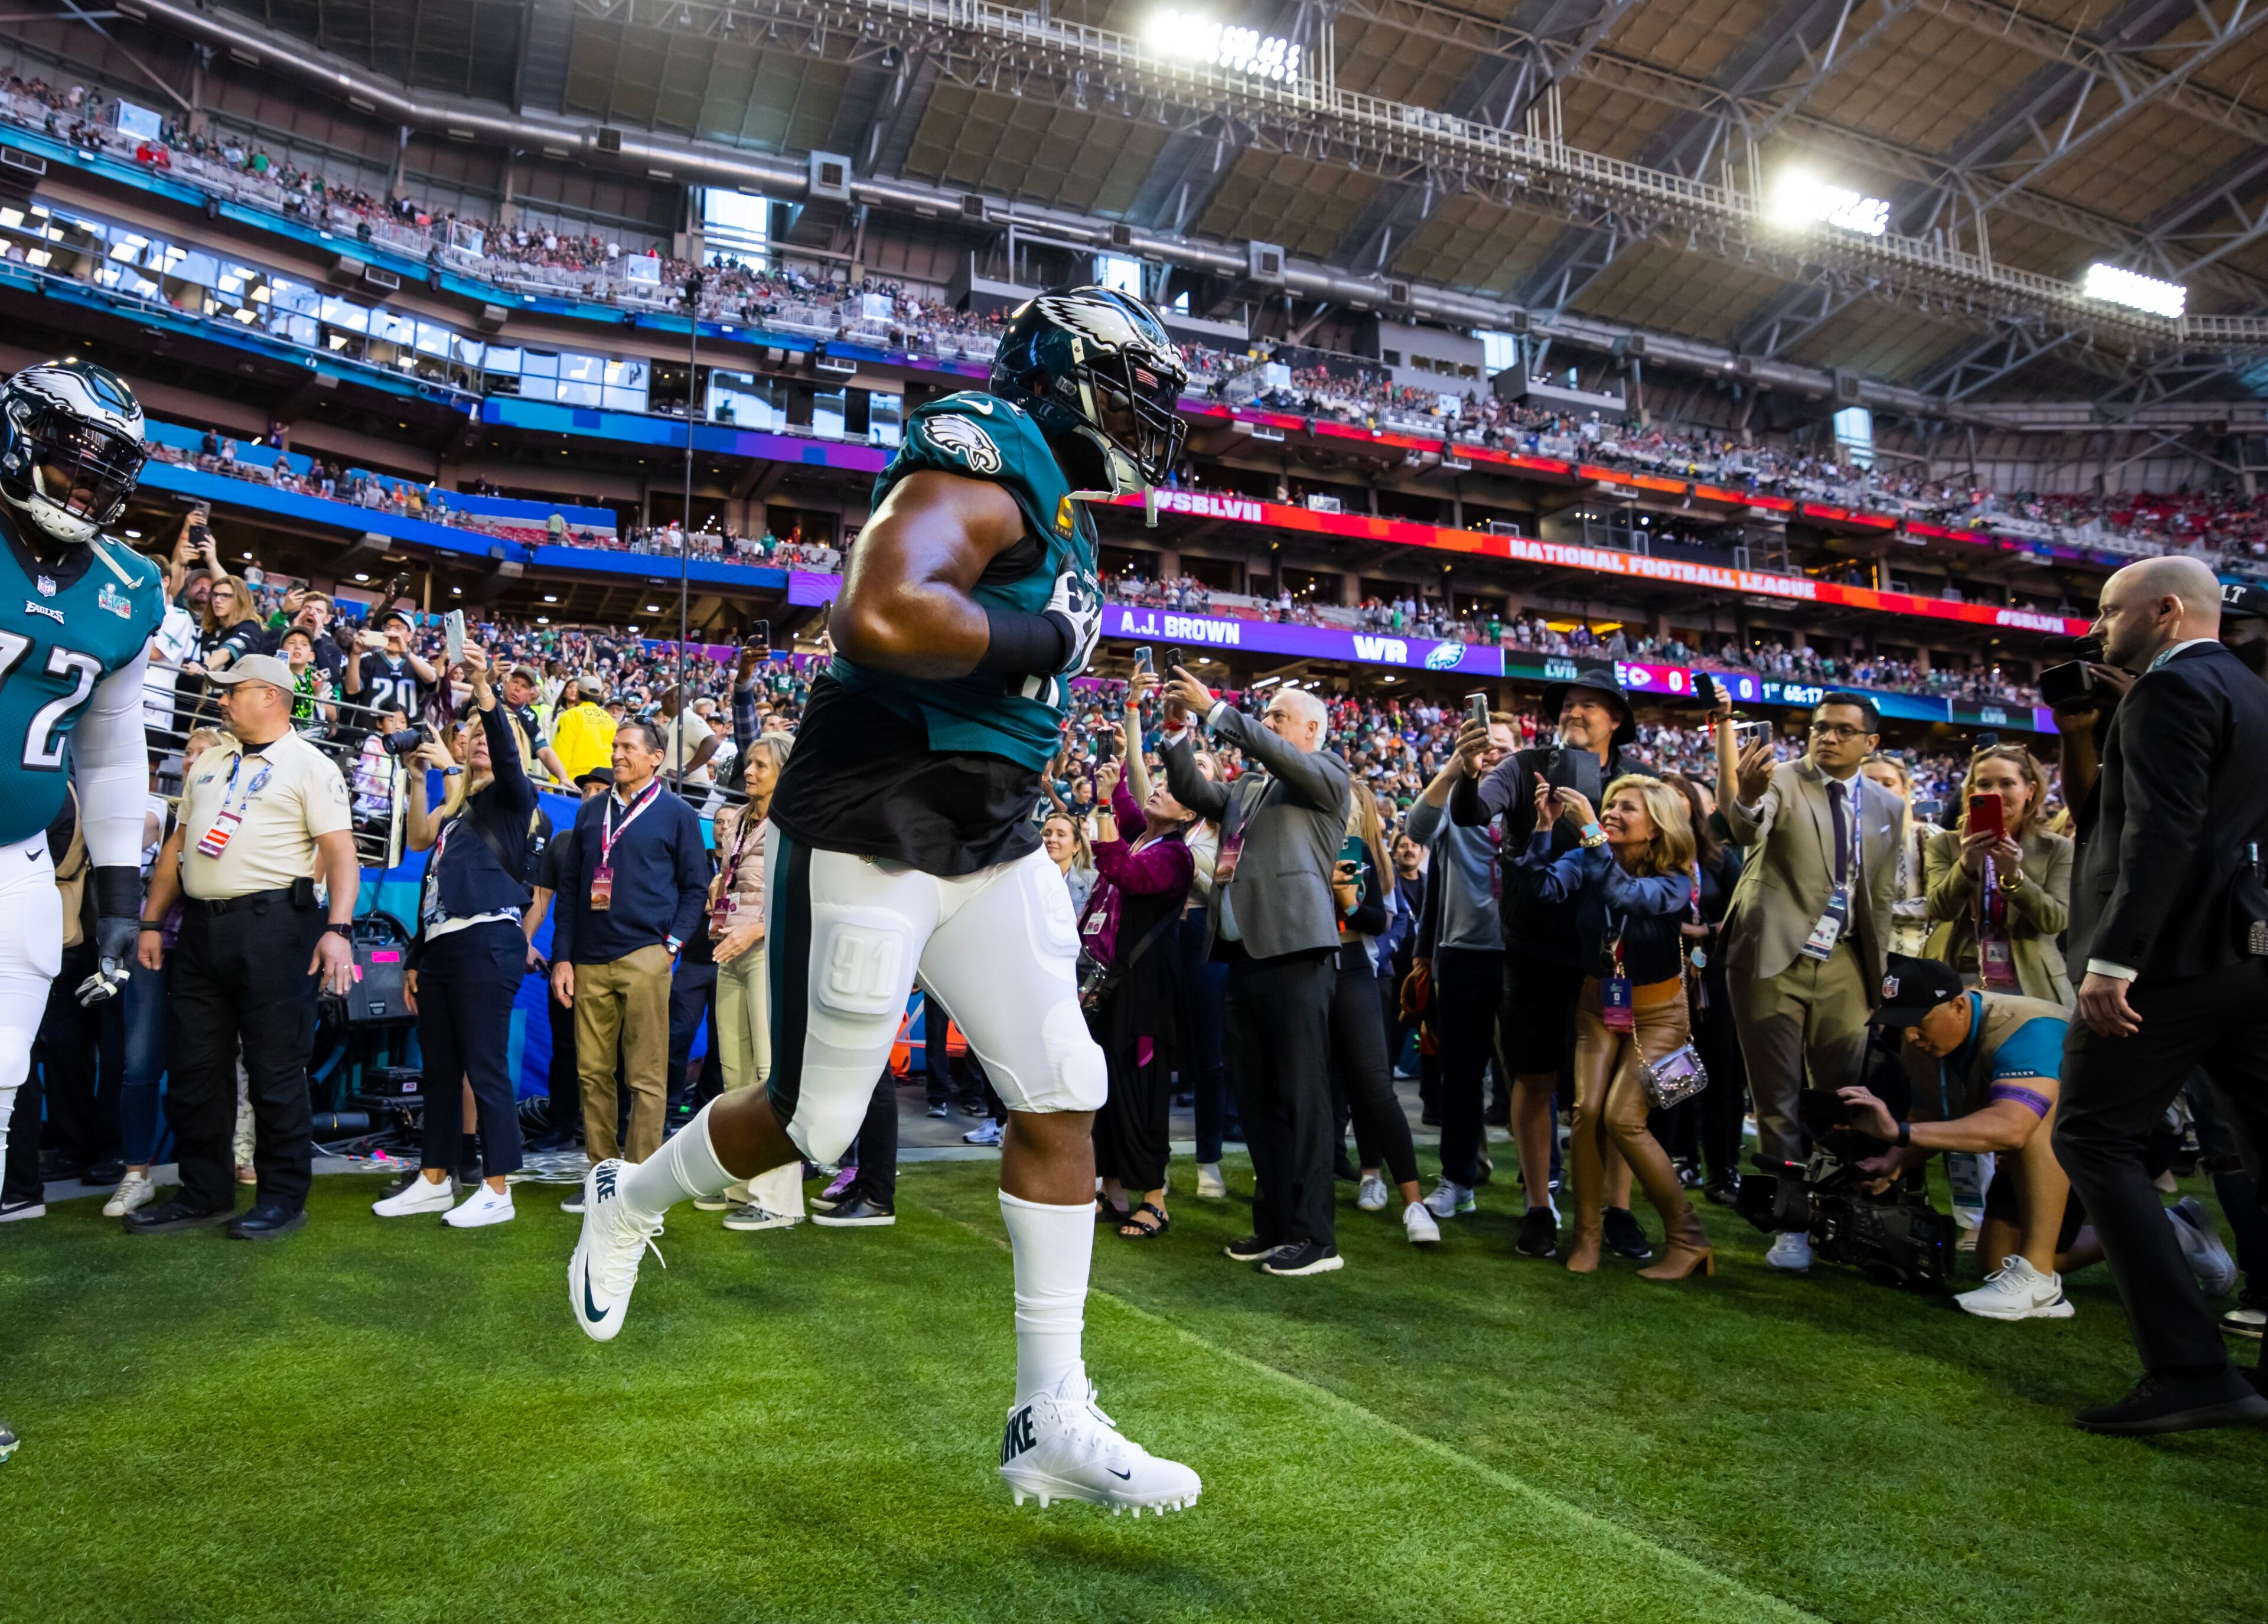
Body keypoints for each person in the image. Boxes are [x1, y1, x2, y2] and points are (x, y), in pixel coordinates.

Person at [561, 286, 1201, 1515]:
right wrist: (1042, 645)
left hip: (992, 833)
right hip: (880, 820)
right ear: (1066, 381)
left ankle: (1046, 1409)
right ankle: (627, 1199)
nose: (1144, 426)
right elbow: (881, 608)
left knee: (1066, 1089)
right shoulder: (984, 450)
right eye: (1129, 395)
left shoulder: (1057, 506)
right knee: (813, 1124)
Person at [2050, 555, 2268, 1434]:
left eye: (2110, 612)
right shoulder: (2252, 691)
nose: (2099, 629)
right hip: (2246, 956)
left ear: (2166, 611)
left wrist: (2115, 960)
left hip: (2167, 965)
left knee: (2091, 1134)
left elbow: (2161, 835)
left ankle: (2190, 1366)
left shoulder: (2169, 692)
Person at [0, 362, 168, 1217]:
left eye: (104, 477)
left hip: (20, 865)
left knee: (1, 1085)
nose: (83, 489)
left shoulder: (129, 584)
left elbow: (107, 750)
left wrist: (116, 898)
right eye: (71, 466)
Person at [129, 654, 359, 1240]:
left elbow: (340, 852)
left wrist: (340, 928)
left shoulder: (312, 764)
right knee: (194, 1066)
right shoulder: (207, 759)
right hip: (201, 927)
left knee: (275, 1066)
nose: (221, 699)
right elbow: (178, 846)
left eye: (233, 691)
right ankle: (203, 1192)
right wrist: (153, 920)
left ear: (271, 696)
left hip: (277, 927)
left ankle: (283, 1197)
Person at [1449, 662, 1656, 1261]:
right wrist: (1467, 772)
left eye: (1591, 704)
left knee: (1618, 1088)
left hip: (1614, 955)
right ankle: (1539, 1205)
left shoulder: (1639, 777)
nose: (1575, 711)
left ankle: (1618, 1209)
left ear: (1616, 719)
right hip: (1535, 947)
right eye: (1568, 702)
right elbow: (1471, 813)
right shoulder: (1522, 765)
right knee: (1533, 1077)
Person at [1162, 670, 1353, 1278]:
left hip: (1297, 952)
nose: (1268, 723)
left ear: (1312, 730)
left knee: (1303, 1098)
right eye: (1265, 714)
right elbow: (1192, 787)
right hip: (1244, 956)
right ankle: (1276, 1225)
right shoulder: (1249, 787)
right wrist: (1175, 731)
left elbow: (1269, 750)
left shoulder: (1325, 775)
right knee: (1260, 1097)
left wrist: (1220, 711)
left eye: (1278, 716)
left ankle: (1318, 1237)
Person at [1715, 691, 1903, 1275]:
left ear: (1871, 742)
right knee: (1777, 1096)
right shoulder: (1782, 779)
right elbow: (1745, 825)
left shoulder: (1888, 806)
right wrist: (1745, 792)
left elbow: (1883, 896)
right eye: (1821, 727)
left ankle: (1827, 1205)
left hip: (1848, 960)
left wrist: (1883, 972)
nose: (1829, 736)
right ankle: (1790, 1221)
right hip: (1772, 954)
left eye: (1845, 730)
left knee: (1840, 1100)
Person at [1512, 775, 1709, 1279]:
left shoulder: (1674, 878)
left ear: (1657, 828)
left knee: (1623, 1118)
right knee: (1586, 1112)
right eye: (1611, 804)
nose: (1614, 813)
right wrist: (1543, 827)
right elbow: (1540, 887)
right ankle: (1587, 1237)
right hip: (1598, 1005)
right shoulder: (1585, 857)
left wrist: (1592, 833)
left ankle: (1689, 1238)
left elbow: (1624, 897)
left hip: (1660, 1013)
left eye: (1628, 809)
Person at [370, 642, 540, 1228]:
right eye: (471, 735)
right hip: (442, 947)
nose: (478, 741)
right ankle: (434, 1176)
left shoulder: (514, 801)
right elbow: (428, 875)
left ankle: (498, 1186)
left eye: (489, 736)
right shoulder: (460, 812)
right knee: (440, 1067)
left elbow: (510, 762)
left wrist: (486, 692)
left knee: (484, 1066)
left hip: (488, 943)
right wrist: (415, 957)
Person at [1837, 955, 2075, 1321]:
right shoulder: (1925, 1043)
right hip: (2061, 1148)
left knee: (2034, 1121)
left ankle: (2040, 1280)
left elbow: (2012, 1128)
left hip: (2115, 1142)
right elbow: (1929, 1115)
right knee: (1994, 1261)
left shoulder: (2028, 1028)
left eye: (1919, 1022)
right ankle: (2160, 1231)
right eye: (1902, 1025)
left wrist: (1898, 1132)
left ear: (1959, 1005)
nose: (1911, 1036)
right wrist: (1894, 1160)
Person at [548, 718, 708, 1169]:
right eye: (615, 746)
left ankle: (639, 1178)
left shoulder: (677, 813)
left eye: (628, 748)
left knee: (646, 1075)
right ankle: (604, 1174)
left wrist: (671, 945)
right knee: (592, 1073)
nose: (617, 754)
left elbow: (697, 887)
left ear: (656, 758)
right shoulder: (590, 811)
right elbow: (572, 889)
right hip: (588, 961)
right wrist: (563, 957)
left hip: (645, 956)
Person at [1083, 677, 1194, 1240]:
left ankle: (1155, 1198)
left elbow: (1121, 870)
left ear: (1188, 814)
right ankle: (1111, 1189)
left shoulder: (1174, 857)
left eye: (1170, 792)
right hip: (1120, 985)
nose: (1157, 793)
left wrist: (1105, 809)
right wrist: (1112, 780)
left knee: (1143, 1091)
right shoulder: (1147, 836)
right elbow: (1124, 807)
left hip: (1148, 991)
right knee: (1108, 1085)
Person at [698, 732, 803, 1232]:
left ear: (784, 772)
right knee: (734, 1070)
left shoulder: (796, 822)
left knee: (770, 1072)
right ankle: (741, 1182)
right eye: (749, 764)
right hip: (729, 949)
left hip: (769, 952)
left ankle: (779, 1199)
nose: (750, 772)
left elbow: (804, 896)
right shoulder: (739, 820)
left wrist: (757, 927)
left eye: (761, 765)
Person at [1327, 780, 1438, 1245]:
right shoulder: (1307, 841)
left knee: (1373, 1085)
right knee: (1320, 1085)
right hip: (1307, 970)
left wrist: (1347, 901)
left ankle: (1413, 1202)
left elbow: (1380, 921)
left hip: (1356, 970)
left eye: (1345, 800)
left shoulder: (1366, 854)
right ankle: (1309, 1189)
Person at [1921, 745, 2072, 1006]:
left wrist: (2015, 879)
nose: (1994, 793)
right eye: (1984, 784)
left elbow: (2055, 921)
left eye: (2007, 783)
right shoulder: (1944, 844)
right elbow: (1940, 910)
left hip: (2031, 980)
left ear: (2030, 791)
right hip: (1958, 974)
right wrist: (1966, 865)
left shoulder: (2057, 849)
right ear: (1971, 793)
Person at [1860, 753, 1940, 960]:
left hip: (1912, 960)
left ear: (1904, 790)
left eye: (1887, 783)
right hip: (1852, 959)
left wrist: (1869, 910)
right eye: (1868, 782)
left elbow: (1939, 903)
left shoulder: (1928, 837)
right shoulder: (1836, 837)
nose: (1878, 790)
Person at [343, 608, 437, 726]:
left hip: (406, 737)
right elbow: (351, 691)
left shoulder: (417, 664)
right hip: (370, 735)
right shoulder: (368, 661)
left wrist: (406, 653)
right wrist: (355, 655)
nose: (391, 631)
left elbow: (432, 679)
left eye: (398, 628)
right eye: (388, 627)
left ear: (409, 636)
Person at [551, 673, 615, 784]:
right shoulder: (611, 720)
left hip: (574, 783)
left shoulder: (570, 716)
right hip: (603, 783)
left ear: (577, 694)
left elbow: (561, 754)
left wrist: (552, 786)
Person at [1040, 810, 1097, 915]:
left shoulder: (1093, 881)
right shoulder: (1028, 878)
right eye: (1047, 834)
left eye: (1061, 835)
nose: (1052, 839)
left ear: (1076, 846)